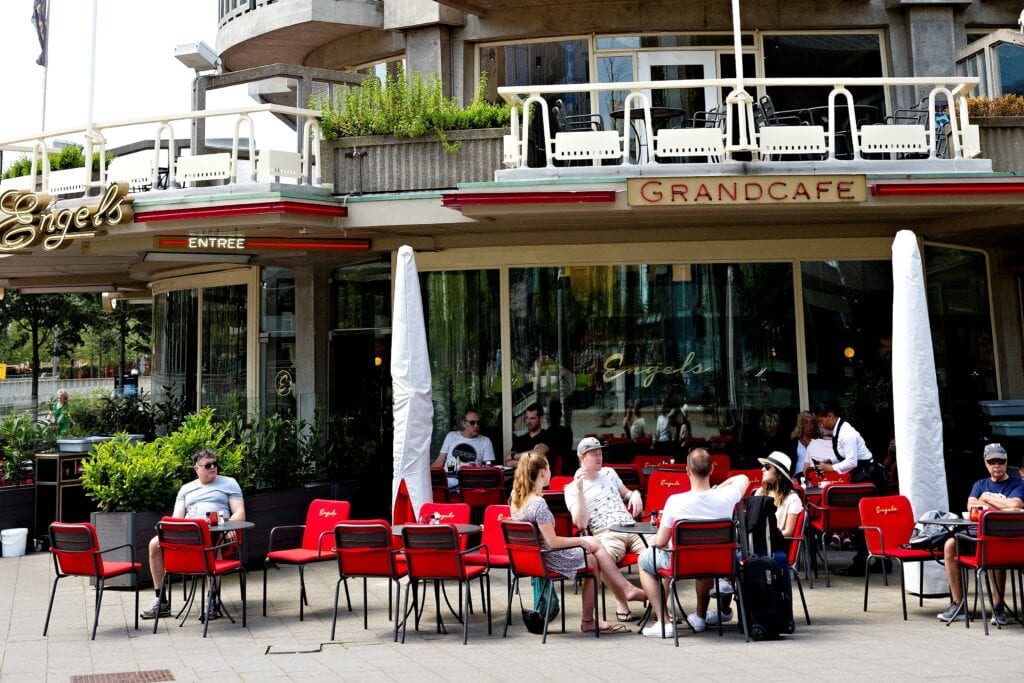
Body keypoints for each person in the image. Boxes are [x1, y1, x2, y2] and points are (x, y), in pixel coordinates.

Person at [510, 451, 646, 633]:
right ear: (542, 472)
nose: (550, 472)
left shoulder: (515, 499)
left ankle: (619, 596)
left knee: (593, 551)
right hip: (549, 557)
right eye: (549, 468)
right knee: (592, 554)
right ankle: (596, 613)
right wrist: (580, 541)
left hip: (531, 559)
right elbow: (553, 542)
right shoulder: (537, 504)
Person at [638, 448, 749, 638]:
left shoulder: (675, 501)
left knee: (644, 560)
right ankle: (699, 617)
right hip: (719, 563)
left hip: (682, 564)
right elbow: (743, 478)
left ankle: (664, 622)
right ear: (712, 469)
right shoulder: (726, 497)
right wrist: (719, 488)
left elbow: (661, 541)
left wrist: (656, 542)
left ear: (688, 470)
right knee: (705, 555)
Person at [141, 448, 245, 620]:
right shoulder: (186, 489)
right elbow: (176, 518)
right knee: (154, 544)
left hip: (217, 531)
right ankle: (161, 600)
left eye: (215, 464)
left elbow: (240, 513)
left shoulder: (229, 483)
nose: (213, 467)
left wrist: (231, 526)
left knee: (214, 544)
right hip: (189, 533)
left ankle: (212, 600)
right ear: (196, 468)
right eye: (207, 465)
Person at [936, 443, 1024, 625]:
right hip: (977, 535)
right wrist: (1000, 506)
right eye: (992, 462)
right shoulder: (980, 484)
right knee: (950, 545)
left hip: (1006, 538)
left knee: (993, 546)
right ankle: (958, 605)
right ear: (985, 463)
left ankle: (998, 607)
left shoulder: (1017, 484)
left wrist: (985, 499)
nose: (997, 465)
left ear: (1007, 462)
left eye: (1001, 461)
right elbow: (971, 506)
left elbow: (1015, 505)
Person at [564, 437, 647, 622]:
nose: (599, 457)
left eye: (600, 453)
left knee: (660, 552)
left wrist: (635, 494)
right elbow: (581, 523)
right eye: (594, 454)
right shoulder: (571, 488)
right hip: (606, 532)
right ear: (582, 458)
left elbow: (626, 493)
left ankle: (661, 610)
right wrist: (579, 492)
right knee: (600, 560)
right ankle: (624, 597)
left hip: (631, 527)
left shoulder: (609, 472)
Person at [813, 401, 885, 575]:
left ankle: (863, 562)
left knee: (863, 519)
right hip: (862, 475)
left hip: (868, 477)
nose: (821, 425)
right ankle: (877, 561)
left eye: (821, 421)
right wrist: (831, 461)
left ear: (830, 416)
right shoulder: (839, 431)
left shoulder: (847, 433)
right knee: (865, 519)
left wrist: (831, 468)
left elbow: (852, 461)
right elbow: (846, 456)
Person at [432, 408, 496, 488]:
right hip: (447, 480)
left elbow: (489, 467)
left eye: (478, 423)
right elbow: (439, 461)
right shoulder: (451, 436)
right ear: (464, 424)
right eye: (472, 423)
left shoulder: (485, 441)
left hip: (470, 483)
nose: (476, 425)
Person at [756, 451, 803, 538]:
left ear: (778, 473)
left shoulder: (793, 499)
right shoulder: (759, 492)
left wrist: (767, 537)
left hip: (775, 542)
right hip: (755, 541)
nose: (762, 469)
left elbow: (788, 532)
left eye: (767, 467)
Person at [545, 399, 574, 476]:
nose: (552, 416)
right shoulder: (547, 432)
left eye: (554, 413)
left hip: (562, 469)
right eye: (551, 413)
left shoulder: (565, 432)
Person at [791, 411, 819, 476]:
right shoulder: (794, 442)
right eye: (806, 423)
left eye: (811, 423)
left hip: (815, 476)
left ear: (815, 425)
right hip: (797, 476)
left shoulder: (820, 441)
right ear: (801, 425)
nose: (809, 426)